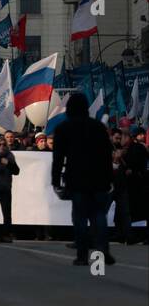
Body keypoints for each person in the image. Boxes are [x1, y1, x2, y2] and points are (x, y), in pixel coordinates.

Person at [51, 93, 116, 266]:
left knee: (79, 216)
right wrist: (110, 178)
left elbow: (58, 159)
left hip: (76, 178)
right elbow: (106, 156)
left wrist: (55, 181)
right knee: (98, 215)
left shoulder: (63, 128)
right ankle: (103, 248)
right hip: (99, 178)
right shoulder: (98, 127)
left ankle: (81, 255)